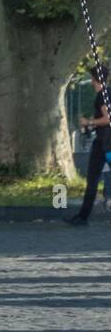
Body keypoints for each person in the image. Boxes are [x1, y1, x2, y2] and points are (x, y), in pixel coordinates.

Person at [68, 69, 111, 226]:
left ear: (95, 79)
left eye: (92, 78)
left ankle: (82, 217)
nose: (91, 82)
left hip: (103, 144)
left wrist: (89, 122)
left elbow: (107, 119)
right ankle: (82, 217)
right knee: (92, 180)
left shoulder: (102, 96)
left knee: (92, 180)